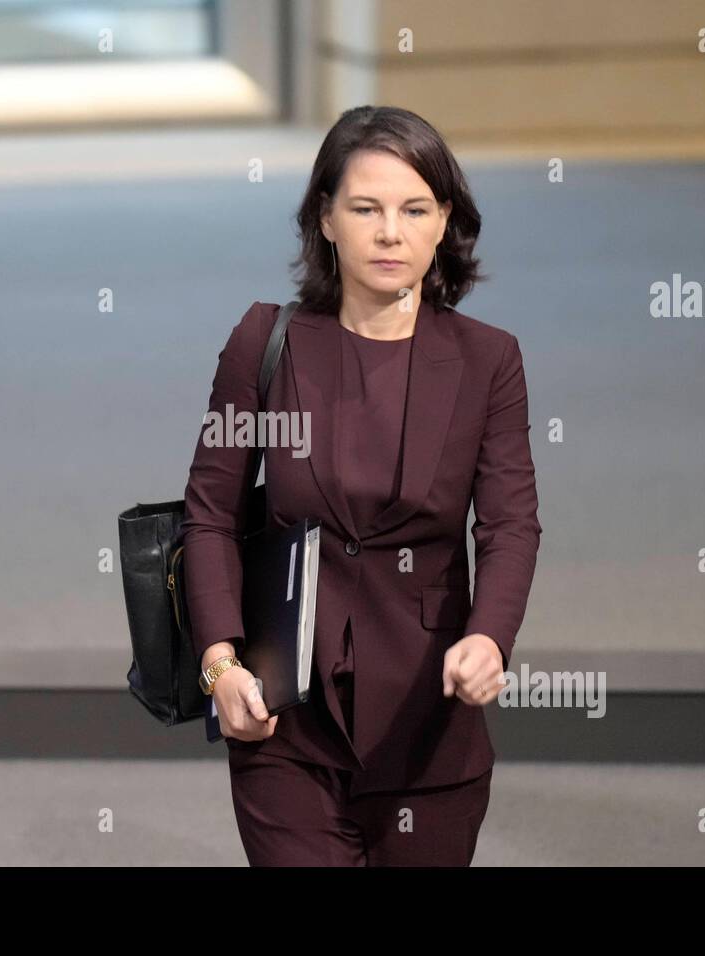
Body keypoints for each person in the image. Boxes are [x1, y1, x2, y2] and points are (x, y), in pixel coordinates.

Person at [180, 105, 542, 866]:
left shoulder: (488, 361)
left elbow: (508, 525)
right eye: (366, 208)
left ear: (444, 222)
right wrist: (220, 664)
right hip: (286, 718)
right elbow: (209, 515)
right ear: (326, 218)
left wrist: (489, 637)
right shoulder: (261, 343)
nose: (390, 233)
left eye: (415, 209)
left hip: (427, 725)